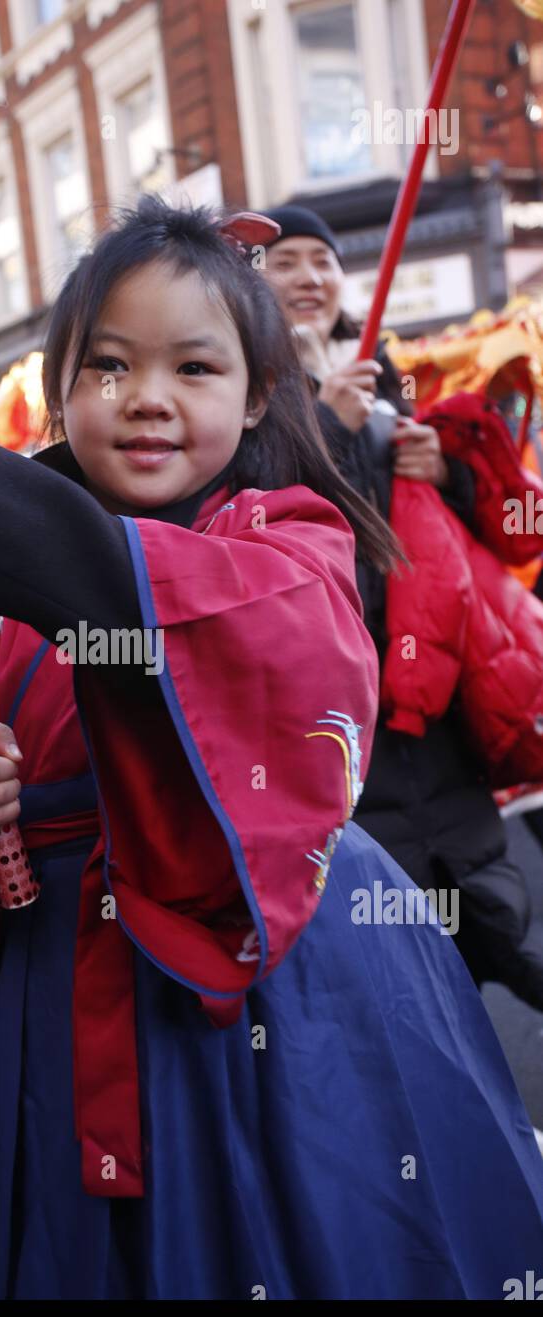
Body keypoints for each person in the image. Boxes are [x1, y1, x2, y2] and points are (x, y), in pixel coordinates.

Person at [0, 197, 543, 1300]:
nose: (144, 398)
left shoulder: (288, 544)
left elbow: (195, 620)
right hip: (63, 1008)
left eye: (193, 368)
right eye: (106, 365)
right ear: (60, 388)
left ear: (255, 394)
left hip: (275, 1000)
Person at [262, 203, 543, 1013]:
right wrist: (330, 426)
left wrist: (438, 468)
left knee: (487, 910)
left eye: (323, 259)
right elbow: (259, 514)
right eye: (287, 261)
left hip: (434, 699)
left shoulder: (382, 368)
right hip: (340, 711)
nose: (310, 275)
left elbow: (451, 531)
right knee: (393, 954)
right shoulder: (242, 383)